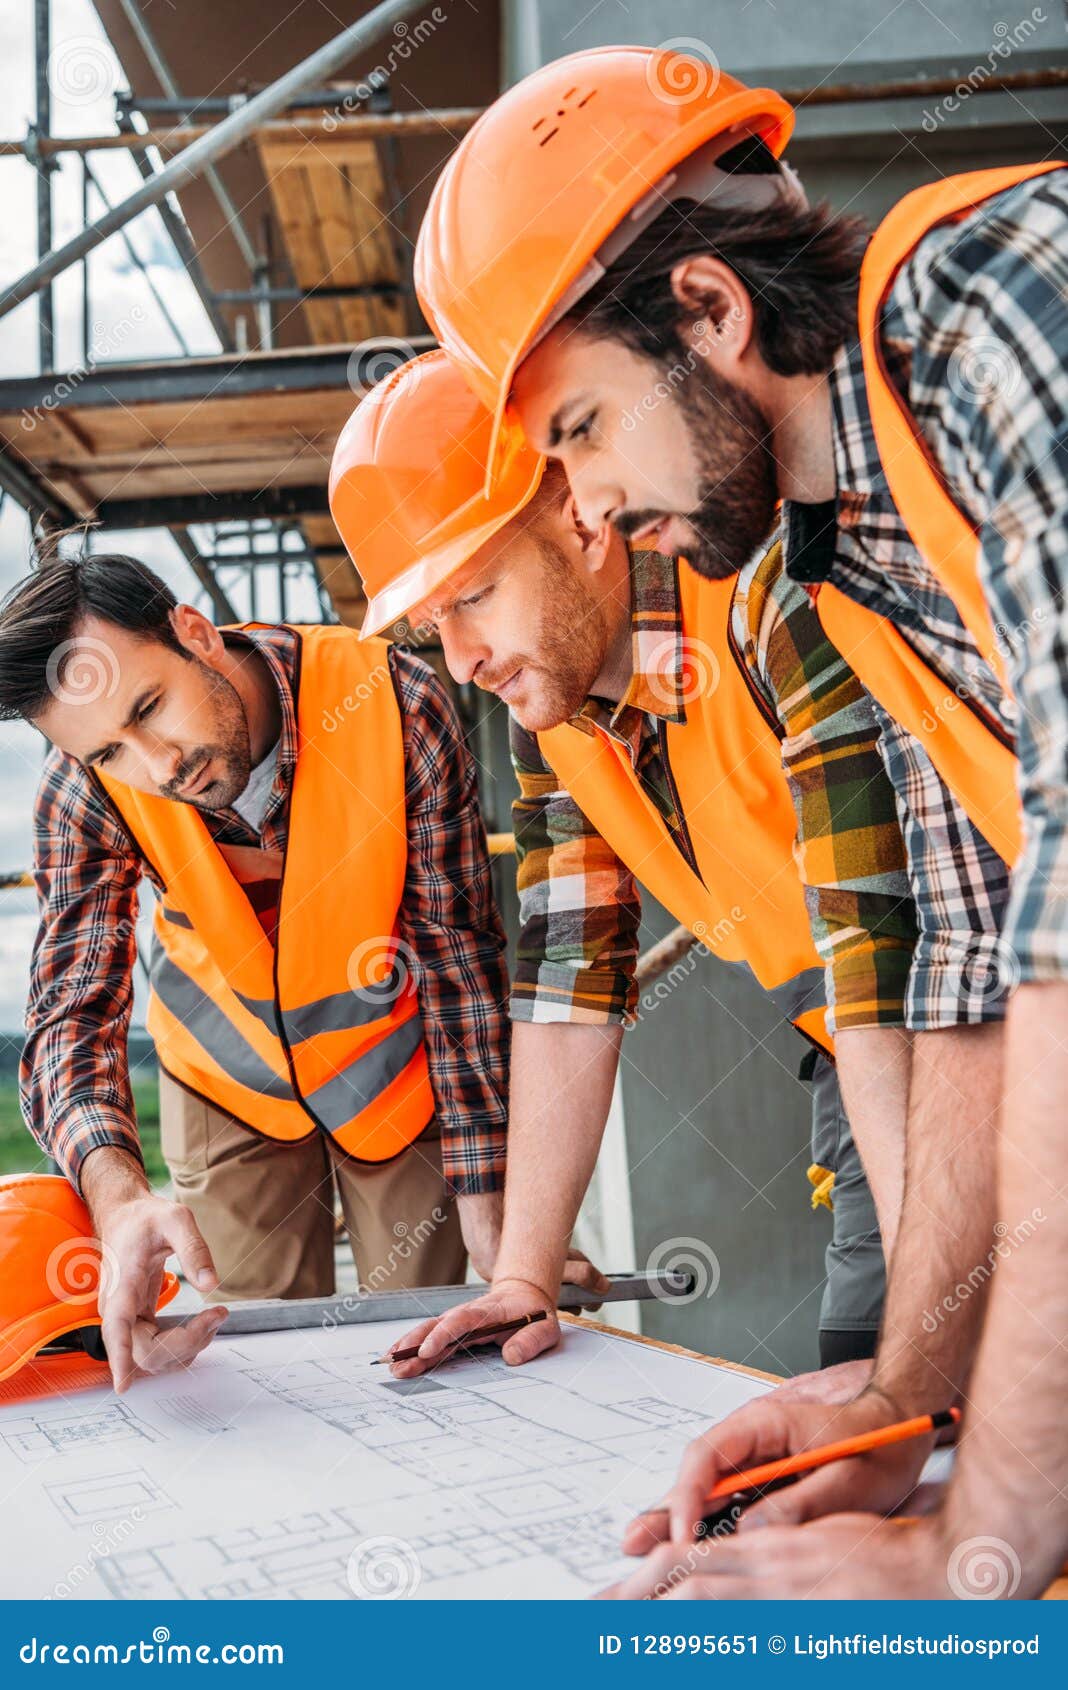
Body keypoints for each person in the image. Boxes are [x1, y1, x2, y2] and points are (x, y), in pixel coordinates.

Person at [413, 45, 1067, 1596]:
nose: (579, 507)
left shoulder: (1001, 312)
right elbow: (966, 984)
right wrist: (909, 1396)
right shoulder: (863, 569)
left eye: (576, 429)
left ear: (709, 310)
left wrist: (991, 1524)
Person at [329, 348, 921, 1380]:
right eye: (435, 626)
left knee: (932, 1384)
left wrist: (934, 1314)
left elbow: (879, 946)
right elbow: (567, 983)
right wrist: (522, 1276)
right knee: (880, 1393)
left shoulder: (762, 597)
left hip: (966, 1015)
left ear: (581, 514)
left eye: (474, 595)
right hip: (859, 1048)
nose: (461, 657)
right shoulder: (554, 717)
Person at [0, 544, 514, 1395]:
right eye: (111, 752)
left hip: (396, 1075)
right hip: (225, 1083)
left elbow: (459, 959)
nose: (157, 764)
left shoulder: (393, 703)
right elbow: (71, 1011)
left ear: (196, 633)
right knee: (243, 1361)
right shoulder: (83, 788)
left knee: (434, 1345)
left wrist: (493, 1191)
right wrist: (119, 1196)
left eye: (152, 707)